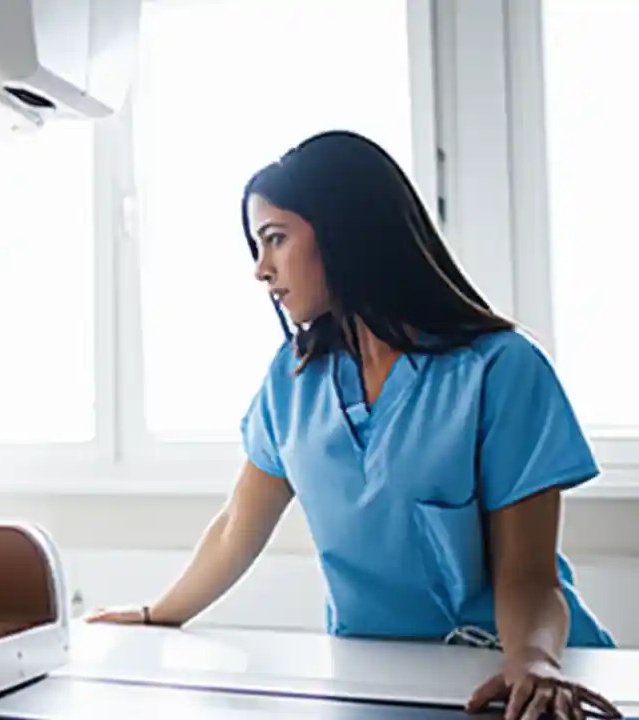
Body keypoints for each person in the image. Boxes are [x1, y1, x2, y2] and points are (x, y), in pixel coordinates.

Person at [86, 130, 623, 720]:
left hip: (514, 682)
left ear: (344, 230)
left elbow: (529, 576)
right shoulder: (294, 382)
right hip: (376, 683)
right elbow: (239, 524)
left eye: (275, 239)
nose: (261, 270)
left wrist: (534, 662)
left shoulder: (501, 369)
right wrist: (155, 614)